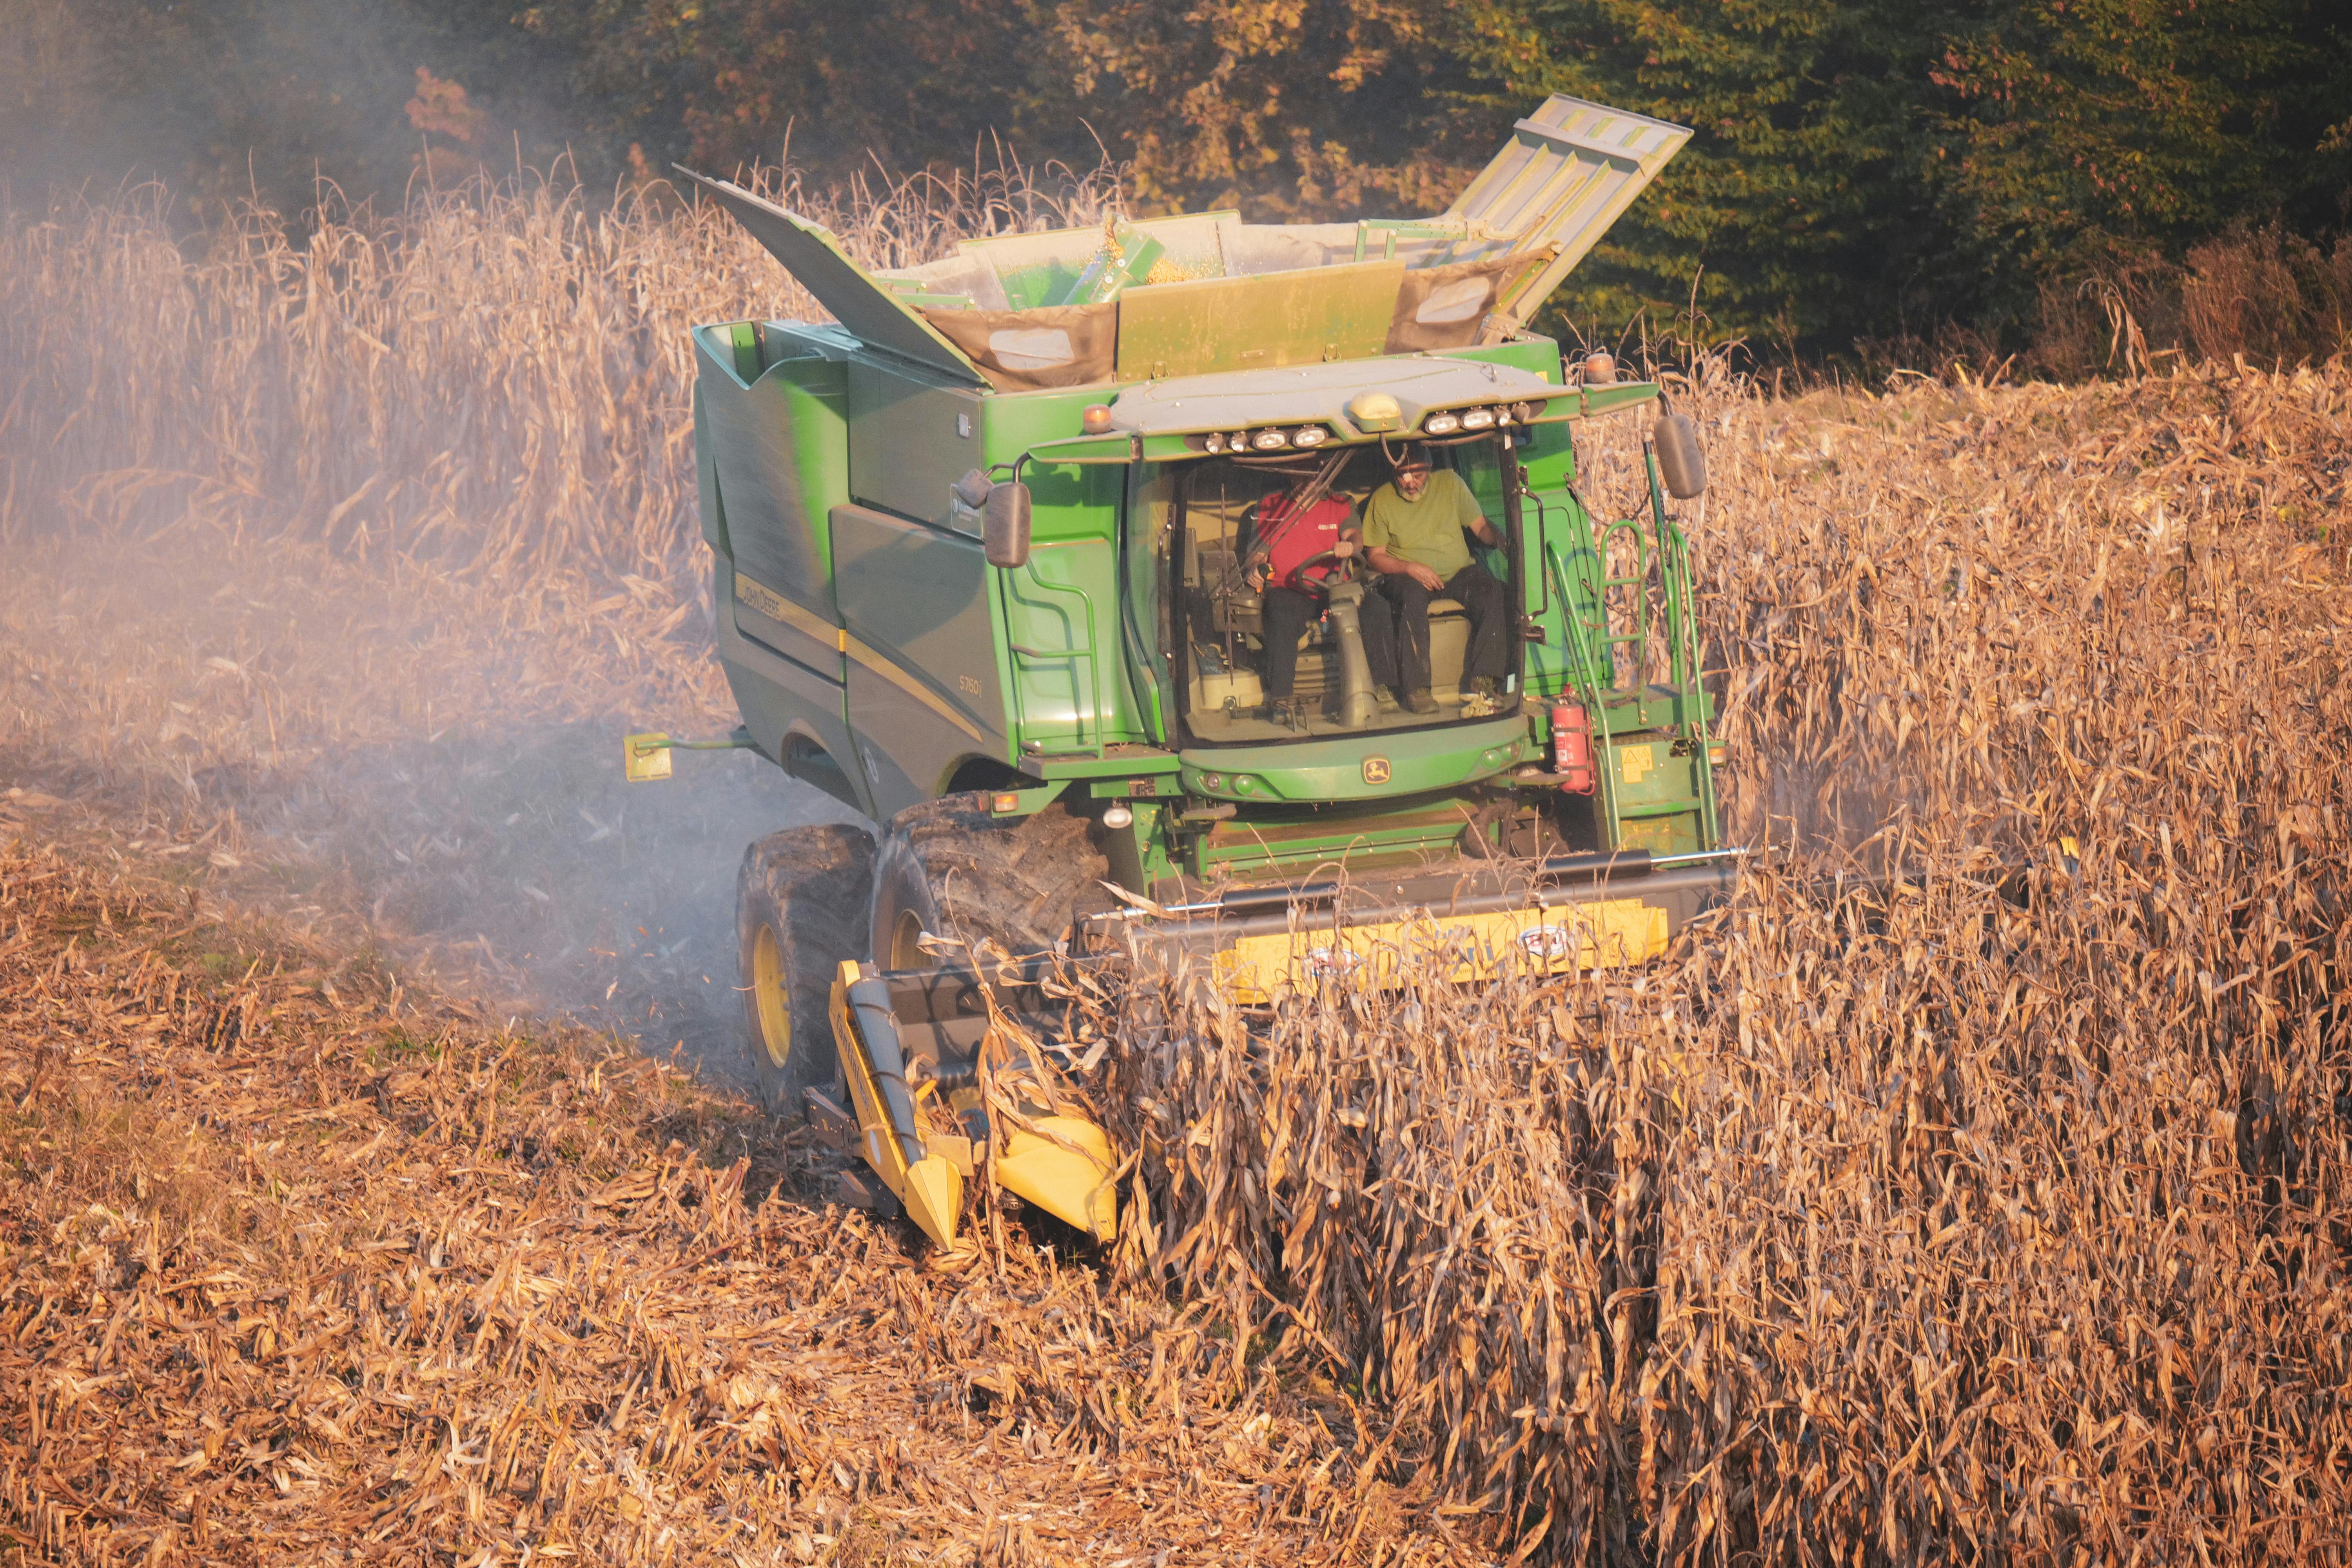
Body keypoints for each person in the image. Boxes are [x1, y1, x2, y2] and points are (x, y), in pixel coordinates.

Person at [1361, 442, 1510, 717]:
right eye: (1402, 476)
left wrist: (1500, 538)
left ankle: (1485, 681)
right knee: (1412, 598)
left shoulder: (1451, 484)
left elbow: (1480, 527)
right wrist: (1409, 568)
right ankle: (1417, 690)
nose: (1409, 483)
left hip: (1457, 572)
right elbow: (1375, 556)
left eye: (1416, 475)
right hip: (1407, 575)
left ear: (1429, 469)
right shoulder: (1382, 500)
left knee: (1493, 591)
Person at [1242, 481, 1399, 729]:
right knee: (1279, 612)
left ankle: (1380, 689)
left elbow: (1355, 537)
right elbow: (1258, 555)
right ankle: (1281, 699)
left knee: (1375, 608)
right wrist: (1257, 570)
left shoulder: (1340, 502)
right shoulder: (1270, 506)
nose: (1306, 482)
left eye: (1314, 474)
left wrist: (1350, 546)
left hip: (1335, 586)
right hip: (1291, 589)